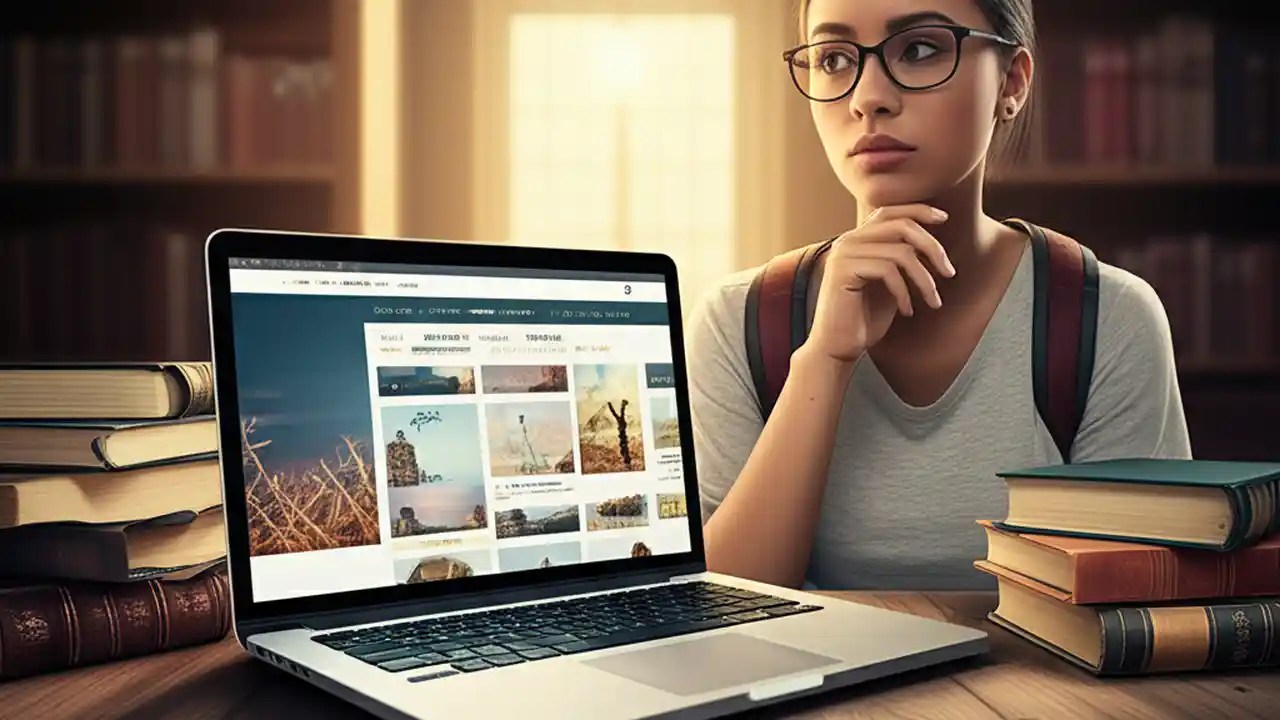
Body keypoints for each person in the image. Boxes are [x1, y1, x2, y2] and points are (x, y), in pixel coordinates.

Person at [685, 0, 1192, 591]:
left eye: (920, 50)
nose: (867, 97)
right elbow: (715, 613)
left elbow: (1139, 606)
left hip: (1039, 687)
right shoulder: (738, 322)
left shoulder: (1107, 319)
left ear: (1012, 82)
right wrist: (823, 360)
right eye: (833, 58)